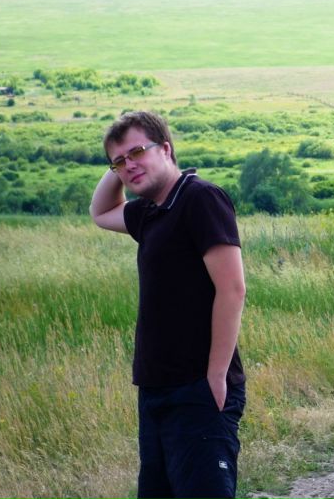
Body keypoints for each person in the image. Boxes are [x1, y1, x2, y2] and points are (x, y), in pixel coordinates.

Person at [90, 111, 246, 499]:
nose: (128, 165)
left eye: (137, 152)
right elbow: (100, 213)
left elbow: (232, 289)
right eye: (118, 161)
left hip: (198, 387)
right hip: (155, 388)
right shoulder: (150, 212)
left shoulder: (199, 198)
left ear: (166, 149)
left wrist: (216, 375)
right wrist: (124, 165)